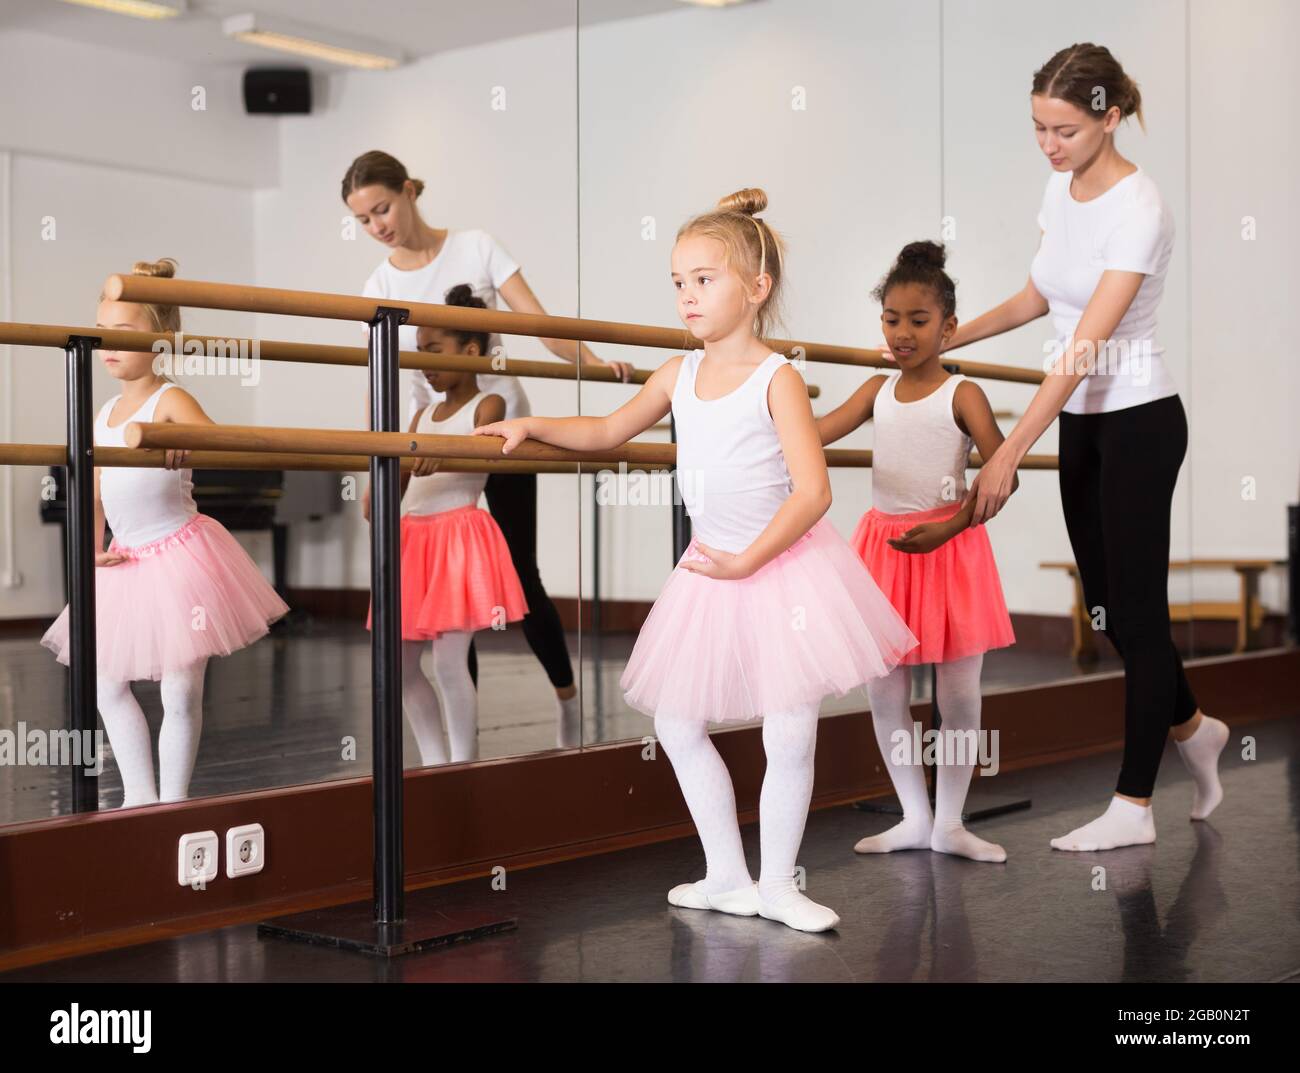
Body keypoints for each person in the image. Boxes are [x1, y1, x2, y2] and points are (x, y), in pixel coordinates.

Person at [474, 188, 917, 932]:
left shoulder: (776, 377)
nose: (686, 295)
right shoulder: (677, 375)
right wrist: (532, 425)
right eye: (678, 281)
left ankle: (780, 883)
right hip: (711, 572)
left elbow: (811, 493)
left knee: (788, 729)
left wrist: (749, 561)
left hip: (781, 567)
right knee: (678, 725)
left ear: (756, 288)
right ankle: (726, 872)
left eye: (704, 279)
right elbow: (609, 429)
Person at [941, 44, 1228, 851]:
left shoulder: (1142, 209)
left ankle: (1134, 806)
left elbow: (1082, 351)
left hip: (1138, 419)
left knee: (1139, 614)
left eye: (1064, 128)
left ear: (1109, 116)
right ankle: (1197, 731)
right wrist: (959, 332)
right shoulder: (1057, 188)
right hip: (1082, 425)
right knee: (1111, 614)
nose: (1049, 143)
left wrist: (1006, 451)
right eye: (1038, 126)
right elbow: (1044, 293)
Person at [344, 149, 628, 747]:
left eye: (382, 208)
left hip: (503, 426)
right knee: (449, 604)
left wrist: (596, 363)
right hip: (436, 429)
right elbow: (387, 383)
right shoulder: (381, 282)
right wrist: (385, 459)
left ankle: (566, 699)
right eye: (364, 219)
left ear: (409, 190)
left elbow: (540, 324)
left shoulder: (475, 245)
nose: (377, 227)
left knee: (522, 572)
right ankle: (456, 748)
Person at [41, 258, 289, 807]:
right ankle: (139, 795)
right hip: (125, 562)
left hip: (181, 557)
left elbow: (224, 444)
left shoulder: (170, 399)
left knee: (180, 688)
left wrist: (190, 444)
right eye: (102, 331)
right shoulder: (100, 412)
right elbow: (96, 491)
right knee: (108, 685)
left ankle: (174, 799)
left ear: (162, 340)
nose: (108, 344)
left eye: (124, 334)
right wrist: (91, 544)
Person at [821, 241, 1016, 864]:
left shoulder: (963, 395)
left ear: (948, 328)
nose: (902, 333)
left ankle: (951, 822)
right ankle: (913, 814)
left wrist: (952, 526)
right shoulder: (876, 390)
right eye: (891, 320)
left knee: (958, 694)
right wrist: (763, 395)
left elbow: (1002, 475)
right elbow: (815, 431)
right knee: (885, 691)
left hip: (950, 549)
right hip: (885, 548)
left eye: (919, 321)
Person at [363, 284, 529, 764]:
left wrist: (443, 455)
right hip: (413, 539)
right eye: (419, 353)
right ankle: (436, 761)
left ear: (472, 351)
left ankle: (463, 760)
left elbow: (480, 452)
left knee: (450, 660)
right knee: (398, 663)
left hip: (458, 536)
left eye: (434, 350)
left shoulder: (489, 405)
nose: (424, 363)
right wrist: (380, 483)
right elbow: (393, 492)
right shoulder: (421, 414)